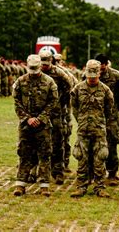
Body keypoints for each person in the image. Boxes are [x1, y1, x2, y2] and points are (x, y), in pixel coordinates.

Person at [12, 54, 58, 197]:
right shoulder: (20, 82)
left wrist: (41, 118)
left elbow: (53, 102)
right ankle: (21, 184)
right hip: (26, 125)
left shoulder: (49, 82)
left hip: (42, 125)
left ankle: (44, 185)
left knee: (44, 154)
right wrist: (27, 118)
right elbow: (17, 102)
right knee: (24, 153)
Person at [70, 60, 114, 198]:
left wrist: (98, 121)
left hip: (99, 130)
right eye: (90, 77)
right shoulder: (77, 89)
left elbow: (109, 109)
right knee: (82, 159)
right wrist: (82, 120)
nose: (92, 79)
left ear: (99, 74)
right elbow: (74, 107)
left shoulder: (106, 90)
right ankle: (81, 186)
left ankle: (99, 187)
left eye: (94, 77)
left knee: (100, 159)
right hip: (83, 130)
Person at [39, 50, 72, 184]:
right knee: (38, 142)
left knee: (58, 142)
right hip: (39, 113)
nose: (44, 67)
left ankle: (58, 171)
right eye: (42, 64)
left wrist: (61, 102)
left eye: (46, 64)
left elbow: (69, 87)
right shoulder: (35, 72)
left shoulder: (59, 73)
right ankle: (37, 171)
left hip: (56, 113)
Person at [94, 54, 119, 186]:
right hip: (95, 115)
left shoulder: (116, 76)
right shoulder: (90, 74)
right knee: (94, 143)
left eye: (102, 66)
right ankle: (95, 172)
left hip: (111, 116)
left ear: (106, 64)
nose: (100, 69)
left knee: (111, 142)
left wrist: (115, 110)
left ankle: (112, 173)